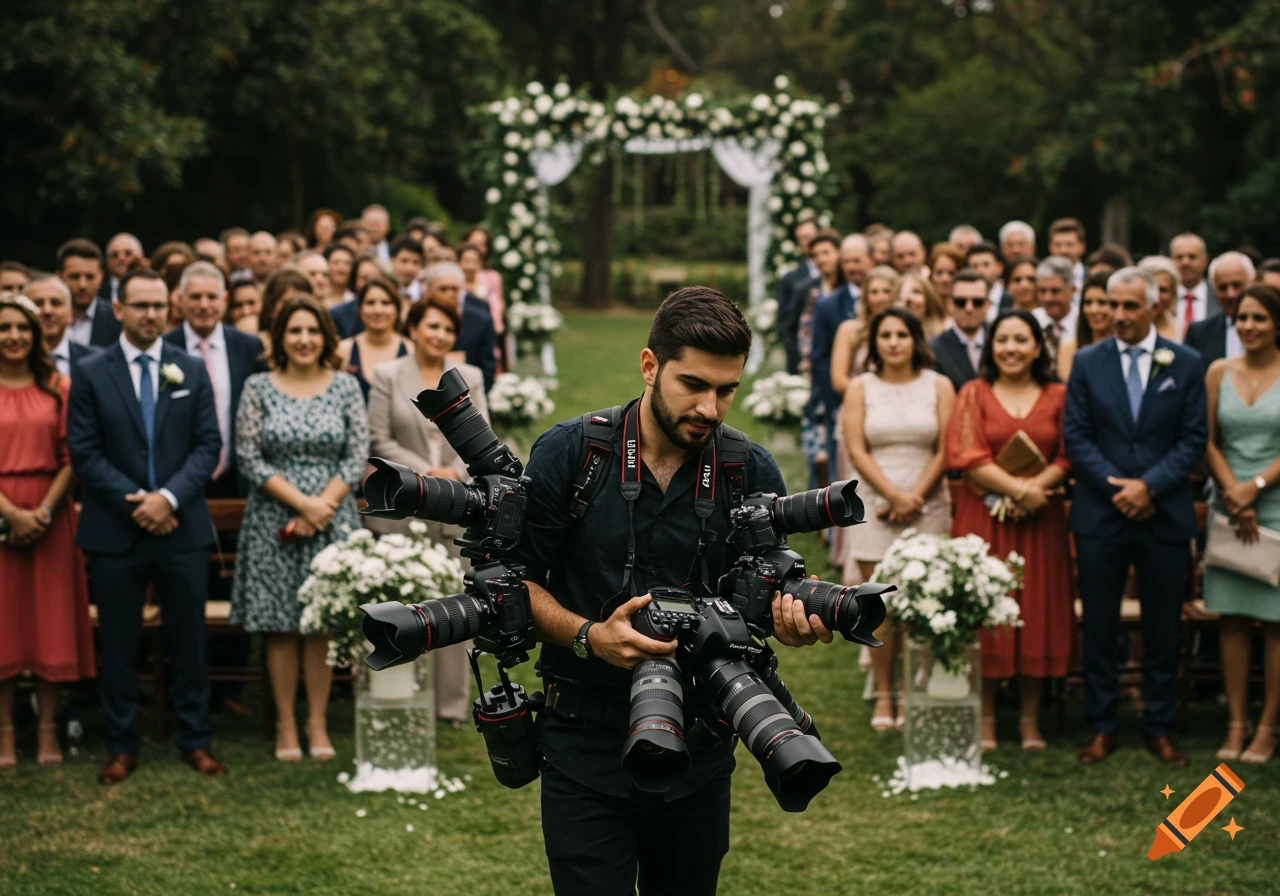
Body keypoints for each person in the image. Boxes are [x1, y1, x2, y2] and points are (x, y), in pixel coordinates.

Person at [510, 286, 826, 896]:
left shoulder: (749, 471)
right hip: (585, 739)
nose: (711, 408)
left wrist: (790, 616)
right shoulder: (572, 454)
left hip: (702, 745)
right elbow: (516, 581)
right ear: (649, 366)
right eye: (694, 385)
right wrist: (587, 635)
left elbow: (767, 591)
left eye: (727, 390)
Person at [67, 269, 225, 783]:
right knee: (119, 642)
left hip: (182, 525)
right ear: (119, 310)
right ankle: (120, 743)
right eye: (141, 306)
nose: (151, 314)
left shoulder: (189, 369)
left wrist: (169, 498)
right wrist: (134, 501)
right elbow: (84, 451)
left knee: (189, 641)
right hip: (117, 527)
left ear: (169, 309)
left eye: (159, 306)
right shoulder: (90, 371)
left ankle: (195, 739)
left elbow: (208, 446)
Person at [1063, 266, 1207, 767]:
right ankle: (1102, 725)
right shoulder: (1086, 361)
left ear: (1153, 307)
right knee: (1100, 624)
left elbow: (1193, 438)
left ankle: (1159, 726)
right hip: (1102, 515)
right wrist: (1116, 488)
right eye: (1112, 305)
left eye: (1128, 306)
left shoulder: (1186, 363)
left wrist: (1150, 486)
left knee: (1163, 625)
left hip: (1163, 514)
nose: (1118, 315)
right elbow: (1077, 435)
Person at [230, 294, 368, 761]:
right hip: (275, 518)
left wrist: (323, 507)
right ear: (279, 338)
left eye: (313, 331)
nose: (304, 340)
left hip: (332, 518)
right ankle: (287, 724)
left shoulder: (346, 388)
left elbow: (356, 453)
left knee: (321, 625)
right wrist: (303, 506)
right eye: (295, 331)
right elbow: (248, 455)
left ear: (326, 337)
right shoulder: (258, 387)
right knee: (281, 626)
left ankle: (318, 722)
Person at [947, 310, 1072, 751]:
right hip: (985, 519)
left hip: (1042, 524)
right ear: (990, 346)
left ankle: (1029, 719)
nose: (1011, 348)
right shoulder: (974, 393)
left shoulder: (1058, 394)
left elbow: (1068, 451)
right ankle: (984, 719)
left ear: (1038, 347)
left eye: (1021, 339)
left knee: (1036, 611)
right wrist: (1019, 489)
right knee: (986, 611)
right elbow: (967, 455)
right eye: (1002, 339)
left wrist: (1035, 492)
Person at [364, 296, 486, 724]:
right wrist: (424, 474)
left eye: (447, 330)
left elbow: (480, 436)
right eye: (431, 326)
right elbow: (379, 439)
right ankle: (401, 695)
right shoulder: (387, 375)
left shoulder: (469, 375)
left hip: (456, 503)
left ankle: (450, 706)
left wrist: (449, 473)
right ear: (412, 329)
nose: (439, 336)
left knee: (456, 603)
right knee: (405, 599)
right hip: (404, 501)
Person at [843, 307, 954, 731]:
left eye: (901, 334)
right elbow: (856, 449)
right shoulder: (861, 387)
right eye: (885, 335)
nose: (893, 342)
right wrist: (891, 495)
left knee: (924, 601)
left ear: (915, 340)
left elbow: (946, 449)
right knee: (878, 607)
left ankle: (915, 689)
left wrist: (915, 497)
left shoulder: (939, 385)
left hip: (927, 503)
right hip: (875, 503)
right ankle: (885, 694)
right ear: (875, 343)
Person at [0, 294, 94, 769]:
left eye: (22, 327)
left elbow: (73, 454)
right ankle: (5, 735)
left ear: (36, 334)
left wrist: (40, 512)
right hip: (2, 510)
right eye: (4, 327)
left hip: (51, 514)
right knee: (4, 628)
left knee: (48, 626)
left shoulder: (60, 386)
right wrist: (10, 515)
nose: (13, 336)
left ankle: (47, 733)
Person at [1203, 284, 1280, 765]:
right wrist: (1234, 491)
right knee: (1230, 619)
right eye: (1241, 319)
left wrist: (1255, 487)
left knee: (1276, 624)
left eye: (1259, 319)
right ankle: (1236, 721)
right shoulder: (1217, 372)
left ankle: (1268, 726)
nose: (1248, 327)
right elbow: (1207, 440)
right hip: (1228, 506)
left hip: (1275, 506)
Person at [163, 261, 266, 498]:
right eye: (195, 297)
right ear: (181, 299)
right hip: (179, 480)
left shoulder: (249, 347)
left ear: (225, 300)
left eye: (211, 296)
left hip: (240, 479)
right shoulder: (165, 348)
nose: (204, 305)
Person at [422, 262, 495, 392]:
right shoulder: (418, 319)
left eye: (454, 289)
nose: (450, 294)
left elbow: (488, 367)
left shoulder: (481, 320)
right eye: (443, 289)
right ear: (429, 290)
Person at [336, 277, 411, 402]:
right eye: (370, 303)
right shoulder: (342, 350)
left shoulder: (411, 350)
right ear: (360, 309)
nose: (378, 310)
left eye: (385, 303)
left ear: (397, 310)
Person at [1186, 251, 1255, 367]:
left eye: (1237, 285)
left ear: (1252, 283)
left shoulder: (1272, 328)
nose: (1231, 294)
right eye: (1223, 288)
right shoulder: (1199, 333)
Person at [930, 270, 990, 394]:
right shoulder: (933, 349)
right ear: (949, 304)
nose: (969, 308)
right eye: (960, 302)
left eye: (977, 302)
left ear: (987, 304)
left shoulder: (1002, 343)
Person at [27, 275, 96, 379]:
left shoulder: (95, 361)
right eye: (38, 303)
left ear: (71, 313)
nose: (47, 311)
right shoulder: (8, 363)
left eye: (55, 303)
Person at [775, 218, 820, 374]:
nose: (806, 242)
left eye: (809, 236)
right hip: (800, 356)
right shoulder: (790, 279)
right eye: (801, 238)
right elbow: (784, 321)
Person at [57, 238, 120, 347]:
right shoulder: (46, 317)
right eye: (74, 276)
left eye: (90, 277)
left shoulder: (117, 320)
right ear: (60, 277)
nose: (82, 285)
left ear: (101, 277)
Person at [1056, 271, 1113, 381]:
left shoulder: (1125, 348)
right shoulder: (1068, 350)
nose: (1093, 310)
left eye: (1102, 302)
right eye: (1088, 302)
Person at [329, 256, 395, 340]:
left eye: (376, 278)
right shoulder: (337, 314)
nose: (370, 284)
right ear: (355, 281)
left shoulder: (394, 310)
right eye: (364, 278)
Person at [246, 266, 314, 346]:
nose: (295, 308)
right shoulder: (256, 340)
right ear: (271, 306)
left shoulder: (317, 340)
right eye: (287, 303)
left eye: (302, 303)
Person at [1031, 255, 1078, 368]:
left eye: (1055, 291)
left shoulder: (1083, 321)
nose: (1048, 298)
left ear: (1072, 290)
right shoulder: (1031, 321)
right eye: (1042, 291)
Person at [1170, 232, 1220, 336]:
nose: (1185, 262)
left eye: (1192, 257)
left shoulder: (1219, 296)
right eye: (1179, 257)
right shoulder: (1163, 298)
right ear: (1171, 261)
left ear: (1205, 261)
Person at [1138, 255, 1183, 343]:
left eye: (1162, 290)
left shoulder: (1184, 330)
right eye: (1151, 288)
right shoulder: (1126, 329)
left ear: (1173, 293)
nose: (1156, 296)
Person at [892, 271, 947, 338]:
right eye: (904, 292)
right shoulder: (890, 336)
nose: (909, 299)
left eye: (916, 292)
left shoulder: (944, 332)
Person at [966, 241, 1007, 321]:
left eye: (986, 265)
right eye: (974, 266)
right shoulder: (961, 302)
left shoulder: (1012, 299)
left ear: (999, 268)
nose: (980, 271)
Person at [100, 233, 144, 304]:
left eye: (128, 253)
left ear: (140, 257)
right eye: (114, 255)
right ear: (107, 261)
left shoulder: (151, 288)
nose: (121, 258)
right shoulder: (97, 292)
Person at [1048, 218, 1088, 297]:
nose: (1063, 250)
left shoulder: (1091, 278)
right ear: (1050, 247)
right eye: (1058, 245)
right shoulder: (1040, 280)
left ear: (1082, 247)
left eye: (1069, 244)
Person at [389, 235, 425, 301]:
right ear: (392, 261)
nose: (409, 268)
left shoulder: (425, 294)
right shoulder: (384, 291)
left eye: (416, 262)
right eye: (404, 261)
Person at [322, 243, 356, 307]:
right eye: (336, 263)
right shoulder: (319, 296)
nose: (341, 269)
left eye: (347, 263)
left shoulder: (354, 300)